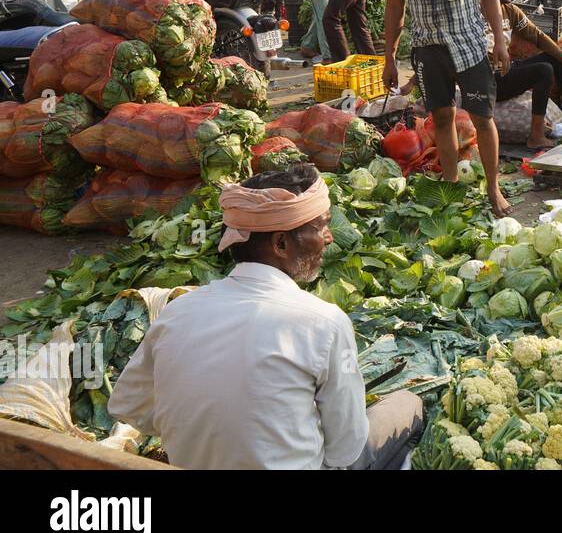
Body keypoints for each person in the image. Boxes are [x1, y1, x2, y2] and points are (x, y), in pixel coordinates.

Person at [108, 165, 425, 470]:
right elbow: (345, 447)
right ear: (281, 243)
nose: (328, 238)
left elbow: (128, 407)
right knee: (408, 405)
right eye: (321, 227)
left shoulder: (177, 311)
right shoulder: (324, 322)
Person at [382, 0, 512, 217]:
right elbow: (395, 6)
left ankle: (493, 188)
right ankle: (451, 185)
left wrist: (499, 40)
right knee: (441, 117)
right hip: (428, 48)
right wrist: (389, 57)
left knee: (483, 118)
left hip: (469, 44)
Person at [492, 0, 562, 147]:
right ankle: (536, 137)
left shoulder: (510, 11)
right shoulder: (475, 14)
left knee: (554, 58)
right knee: (543, 71)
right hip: (490, 79)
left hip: (507, 69)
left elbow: (537, 35)